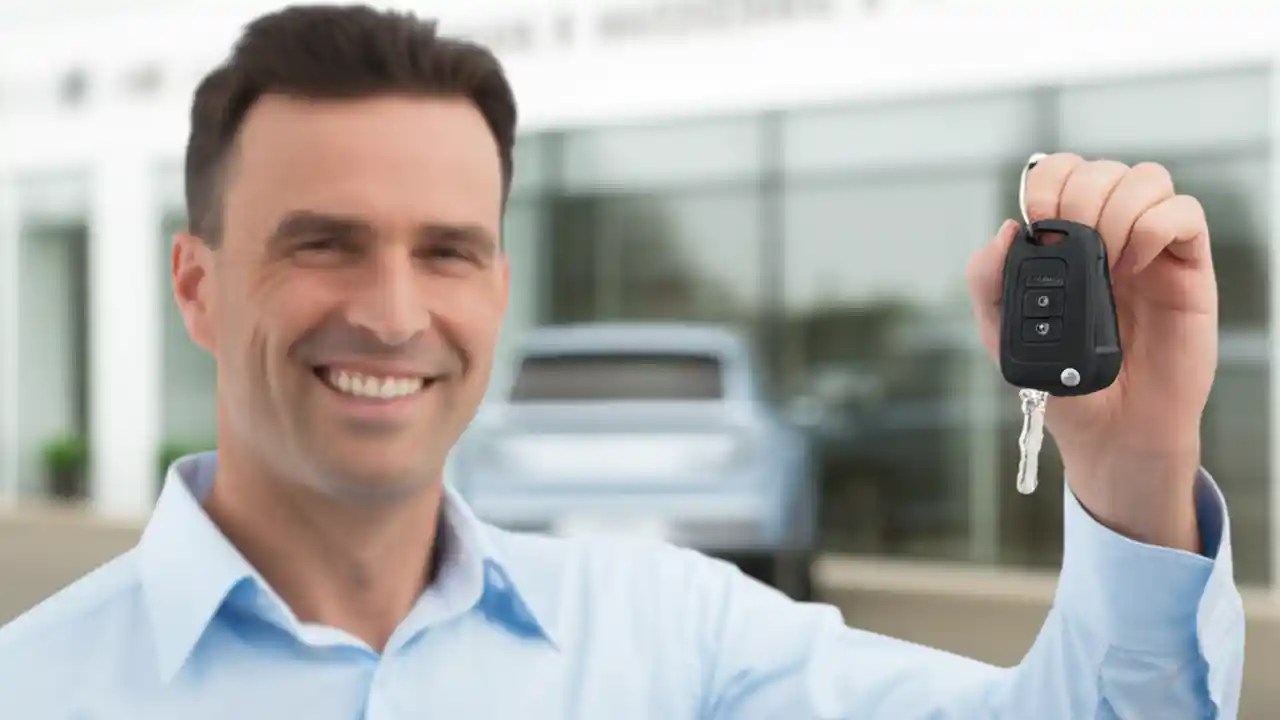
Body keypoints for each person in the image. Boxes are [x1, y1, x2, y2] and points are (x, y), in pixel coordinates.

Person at [0, 5, 1244, 718]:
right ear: (196, 286)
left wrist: (1133, 470)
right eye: (322, 244)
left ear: (496, 286)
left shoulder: (675, 643)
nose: (390, 314)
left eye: (446, 250)